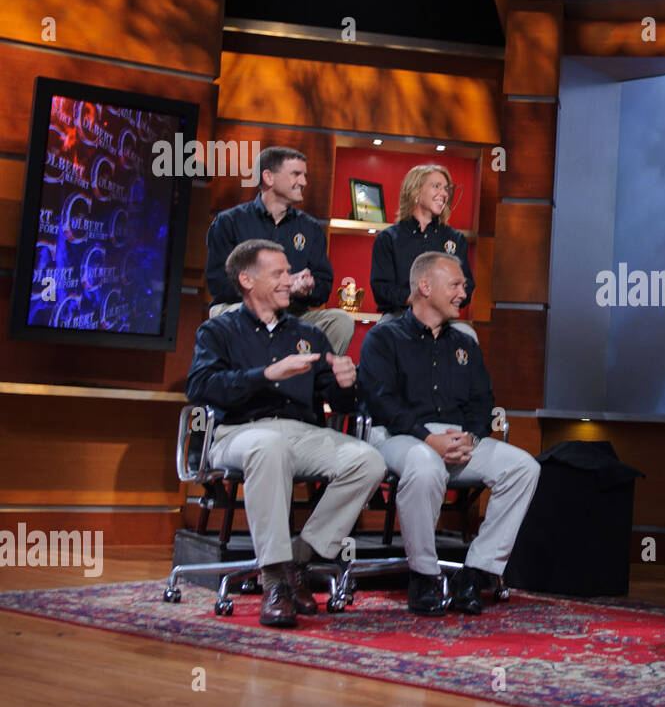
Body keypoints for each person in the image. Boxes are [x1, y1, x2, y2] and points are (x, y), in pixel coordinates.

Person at [186, 238, 386, 628]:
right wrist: (265, 375)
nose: (288, 281)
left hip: (300, 431)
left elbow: (340, 401)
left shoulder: (306, 333)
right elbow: (200, 387)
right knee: (269, 444)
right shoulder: (219, 331)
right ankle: (275, 580)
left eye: (288, 273)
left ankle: (300, 557)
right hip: (237, 432)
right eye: (277, 273)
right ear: (247, 279)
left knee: (368, 460)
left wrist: (347, 383)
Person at [358, 251, 538, 616]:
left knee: (524, 467)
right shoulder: (384, 339)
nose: (463, 292)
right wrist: (428, 439)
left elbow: (482, 402)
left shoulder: (465, 344)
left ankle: (474, 573)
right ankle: (423, 576)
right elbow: (382, 403)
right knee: (425, 464)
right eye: (455, 284)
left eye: (463, 286)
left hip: (457, 439)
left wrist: (470, 437)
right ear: (425, 286)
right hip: (398, 436)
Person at [204, 146, 354, 354]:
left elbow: (323, 287)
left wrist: (307, 287)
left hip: (291, 315)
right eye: (296, 174)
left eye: (305, 175)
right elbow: (219, 284)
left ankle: (315, 383)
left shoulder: (311, 229)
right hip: (240, 309)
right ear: (268, 177)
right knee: (244, 315)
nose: (303, 182)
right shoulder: (229, 222)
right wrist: (279, 287)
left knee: (341, 321)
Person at [370, 164, 475, 322]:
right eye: (436, 186)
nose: (444, 193)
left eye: (446, 188)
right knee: (382, 332)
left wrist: (442, 301)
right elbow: (381, 289)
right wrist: (417, 300)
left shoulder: (456, 239)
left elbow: (467, 287)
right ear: (416, 191)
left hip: (443, 320)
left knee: (469, 335)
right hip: (399, 318)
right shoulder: (388, 238)